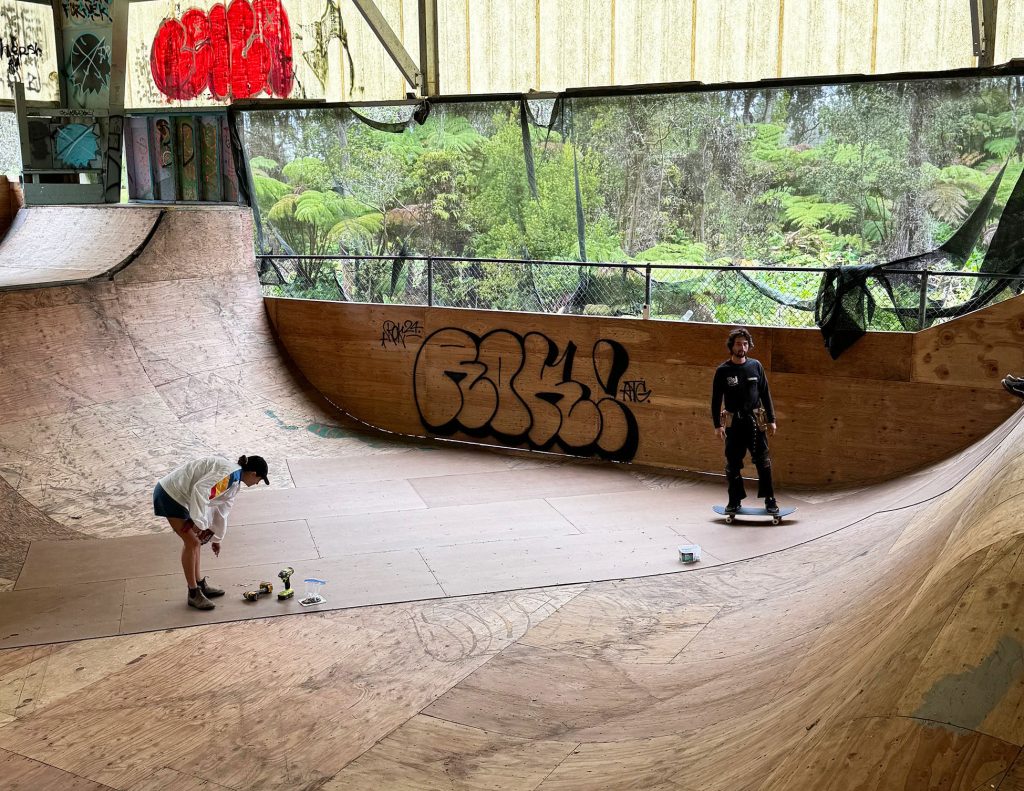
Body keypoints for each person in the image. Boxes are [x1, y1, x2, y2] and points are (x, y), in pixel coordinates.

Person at [153, 454, 270, 610]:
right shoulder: (229, 476)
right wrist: (199, 522)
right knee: (192, 542)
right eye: (259, 480)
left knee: (196, 542)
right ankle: (193, 593)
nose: (257, 483)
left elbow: (221, 509)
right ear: (253, 474)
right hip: (169, 495)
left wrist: (216, 537)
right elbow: (201, 490)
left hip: (178, 495)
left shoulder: (234, 481)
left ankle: (199, 585)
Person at [711, 327, 780, 515]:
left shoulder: (756, 366)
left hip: (755, 422)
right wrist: (717, 425)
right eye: (738, 344)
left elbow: (765, 393)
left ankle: (770, 500)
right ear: (731, 346)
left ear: (748, 346)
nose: (741, 347)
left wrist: (772, 419)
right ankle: (734, 500)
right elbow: (716, 400)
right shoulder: (723, 371)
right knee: (732, 464)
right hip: (734, 424)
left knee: (763, 462)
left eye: (745, 344)